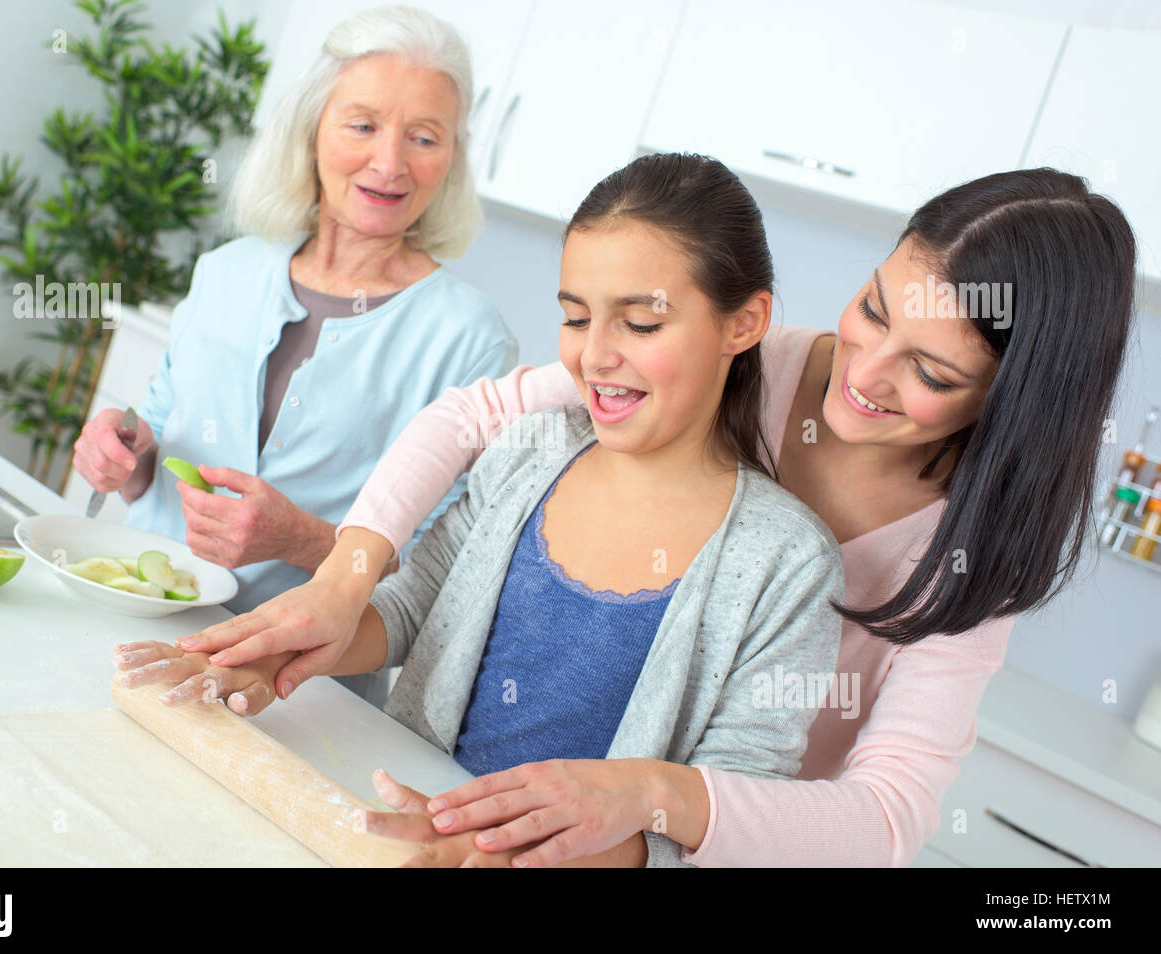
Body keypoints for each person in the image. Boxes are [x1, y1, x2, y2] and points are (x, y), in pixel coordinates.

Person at [153, 164, 1137, 867]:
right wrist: (338, 582)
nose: (865, 376)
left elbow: (880, 817)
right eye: (873, 309)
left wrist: (644, 801)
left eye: (929, 371)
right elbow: (479, 425)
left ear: (1013, 399)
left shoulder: (960, 560)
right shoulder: (732, 363)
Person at [115, 152, 845, 867]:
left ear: (744, 322)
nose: (594, 357)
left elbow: (727, 820)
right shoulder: (532, 451)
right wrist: (283, 648)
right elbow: (410, 608)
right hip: (406, 827)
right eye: (575, 317)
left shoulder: (788, 561)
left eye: (641, 324)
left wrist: (521, 849)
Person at [71, 4, 517, 630]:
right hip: (137, 619)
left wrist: (298, 540)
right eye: (362, 125)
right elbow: (159, 441)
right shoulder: (226, 271)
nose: (389, 163)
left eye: (423, 137)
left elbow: (436, 572)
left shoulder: (469, 340)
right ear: (311, 129)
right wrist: (124, 451)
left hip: (298, 684)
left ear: (452, 158)